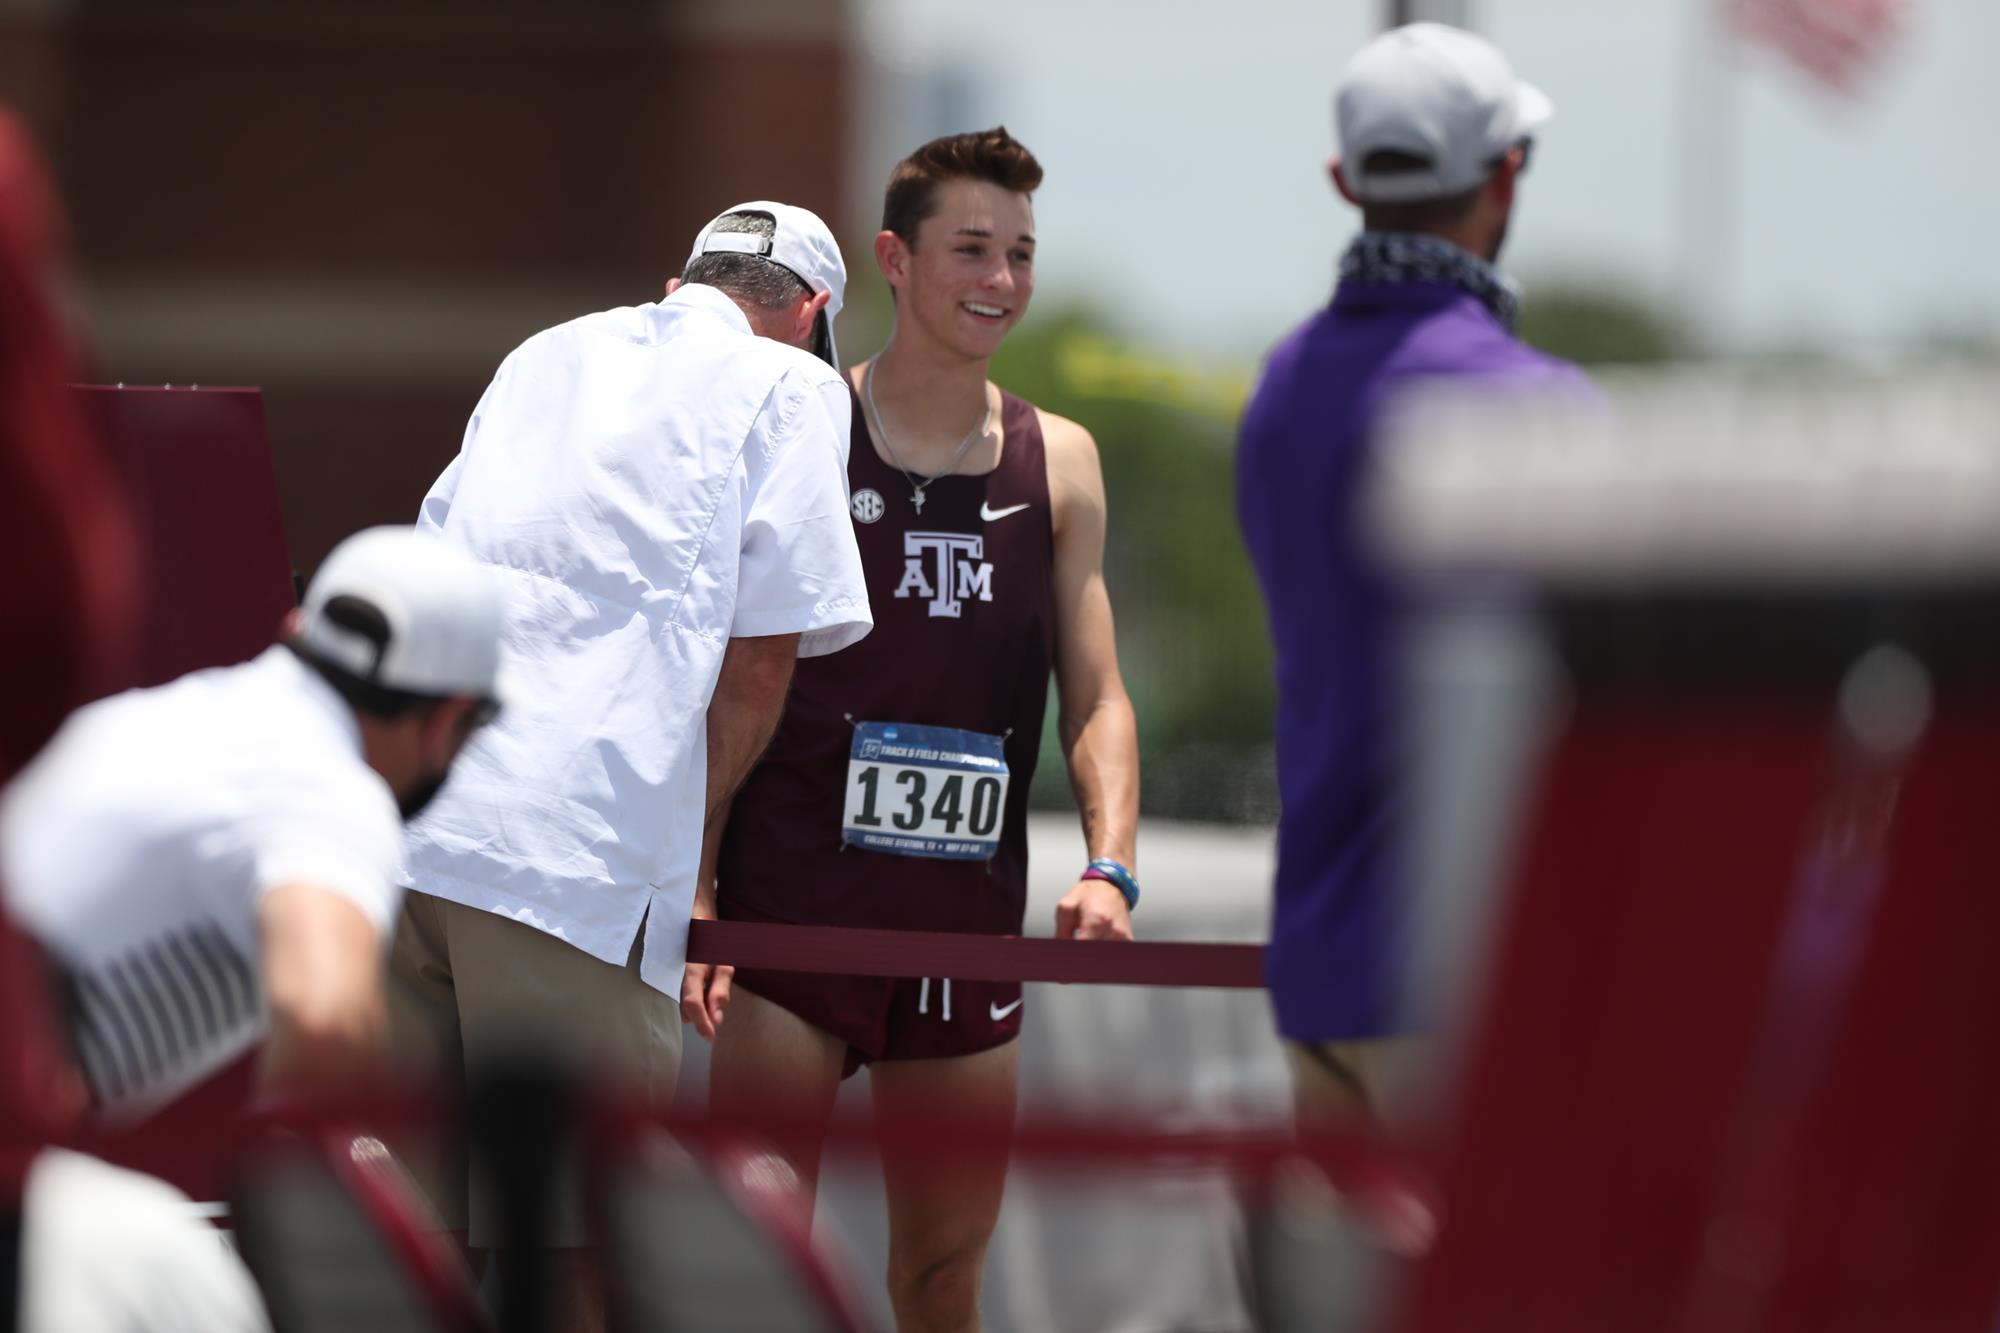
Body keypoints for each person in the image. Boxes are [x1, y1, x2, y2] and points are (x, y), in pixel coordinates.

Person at [687, 127, 1141, 1333]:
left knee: (942, 1281)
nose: (999, 281)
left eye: (1021, 255)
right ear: (894, 258)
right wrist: (695, 881)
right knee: (752, 1259)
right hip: (793, 911)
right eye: (972, 250)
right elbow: (731, 671)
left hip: (959, 923)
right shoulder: (798, 426)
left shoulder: (1066, 464)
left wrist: (1109, 863)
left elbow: (1094, 694)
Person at [390, 201, 871, 1328]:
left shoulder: (541, 352)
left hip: (412, 844)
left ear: (677, 284)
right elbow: (760, 665)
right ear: (807, 316)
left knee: (408, 1254)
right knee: (578, 1257)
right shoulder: (793, 387)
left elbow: (424, 575)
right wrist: (692, 856)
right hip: (575, 866)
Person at [1236, 23, 1594, 1130]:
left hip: (1320, 964)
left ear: (1346, 181)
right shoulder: (1543, 410)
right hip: (1489, 977)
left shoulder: (1278, 392)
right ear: (1505, 174)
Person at [2, 525, 508, 1121]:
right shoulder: (329, 789)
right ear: (446, 721)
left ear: (294, 630)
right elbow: (327, 1025)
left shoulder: (175, 715)